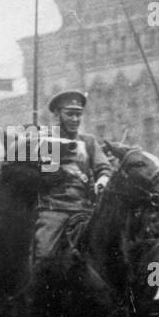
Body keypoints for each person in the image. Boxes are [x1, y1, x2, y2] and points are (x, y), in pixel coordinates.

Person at [34, 90, 111, 260]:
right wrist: (71, 156)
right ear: (57, 115)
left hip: (85, 208)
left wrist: (103, 179)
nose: (75, 119)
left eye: (78, 114)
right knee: (45, 254)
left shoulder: (89, 141)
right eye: (70, 114)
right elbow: (48, 176)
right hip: (56, 209)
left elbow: (103, 166)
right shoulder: (47, 140)